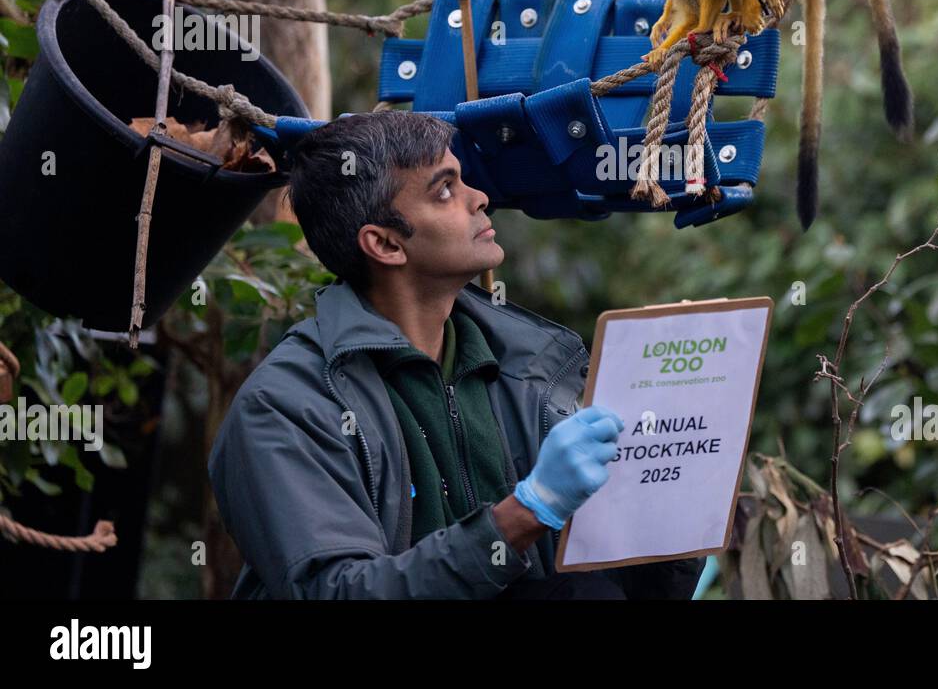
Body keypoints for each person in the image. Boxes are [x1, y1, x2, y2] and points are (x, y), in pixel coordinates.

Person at [207, 110, 705, 599]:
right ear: (384, 244)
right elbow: (337, 591)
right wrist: (527, 512)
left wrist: (667, 484)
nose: (480, 198)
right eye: (445, 189)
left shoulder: (532, 372)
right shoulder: (284, 408)